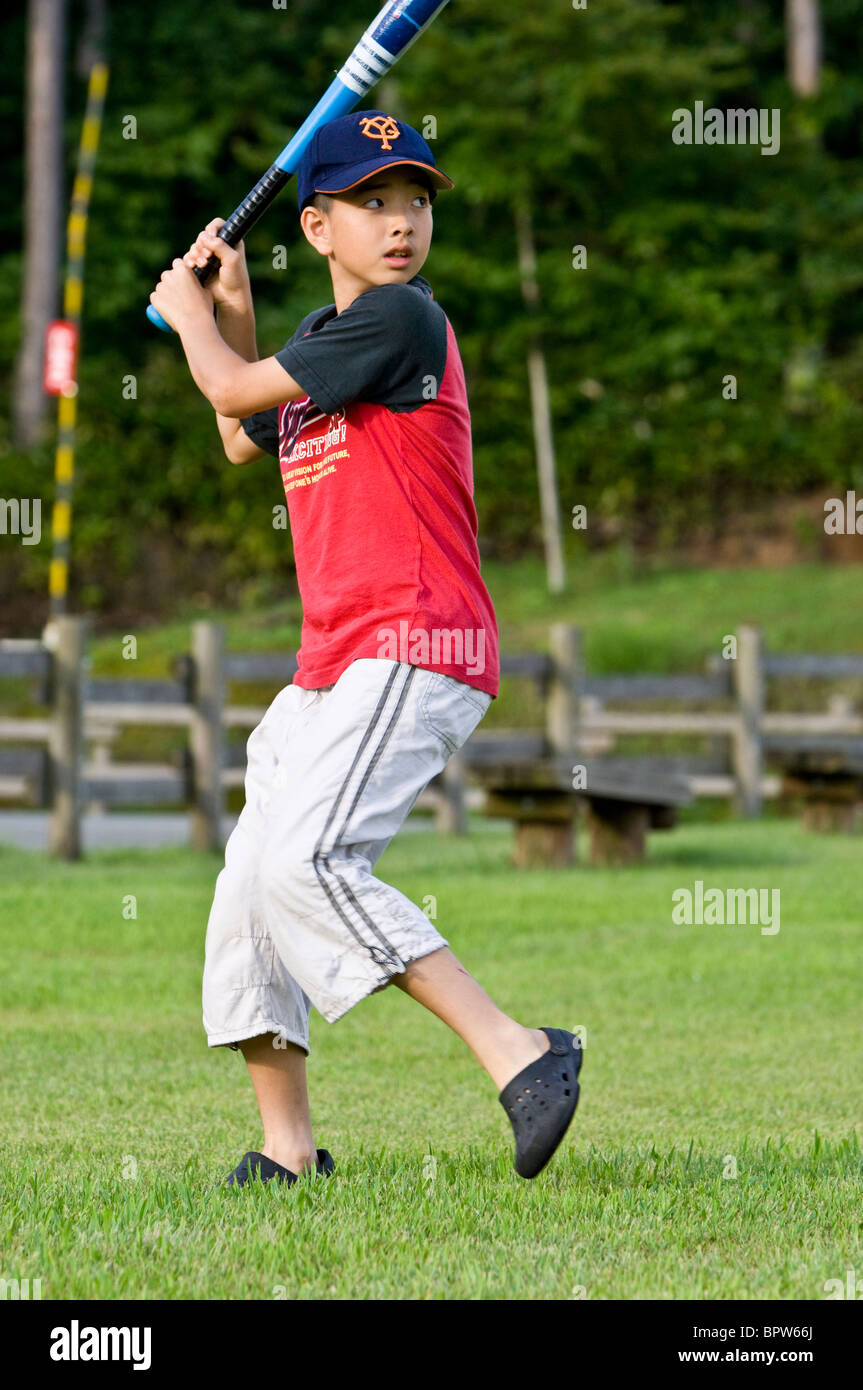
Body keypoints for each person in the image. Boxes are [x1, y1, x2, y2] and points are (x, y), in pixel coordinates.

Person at [148, 111, 582, 1189]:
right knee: (250, 888)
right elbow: (244, 435)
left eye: (415, 202)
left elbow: (224, 390)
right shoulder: (327, 334)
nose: (400, 223)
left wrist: (180, 315)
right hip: (333, 661)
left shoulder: (399, 322)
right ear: (317, 224)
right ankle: (287, 1149)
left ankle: (521, 1053)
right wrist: (236, 312)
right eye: (372, 202)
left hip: (415, 638)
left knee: (310, 862)